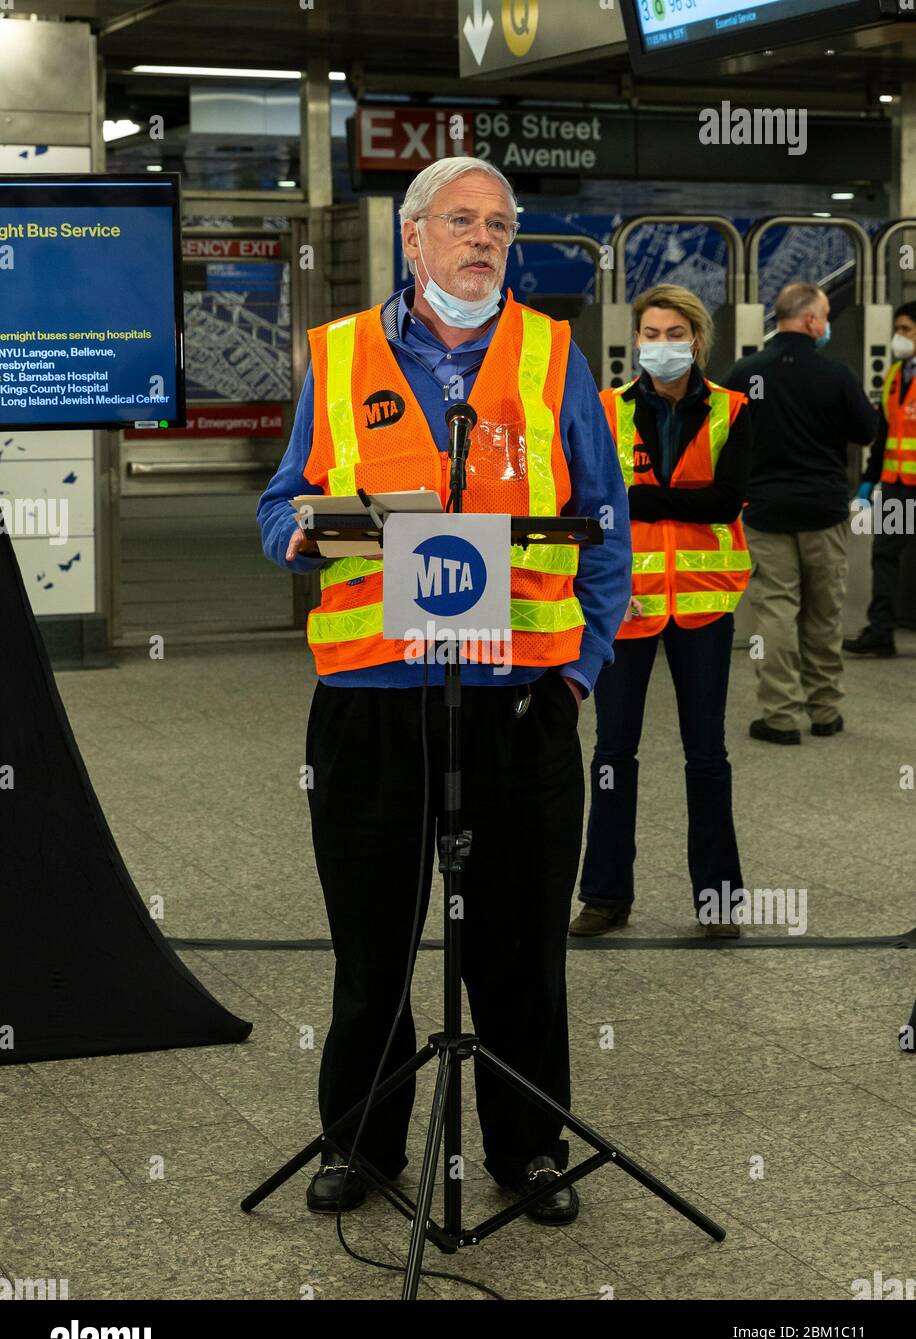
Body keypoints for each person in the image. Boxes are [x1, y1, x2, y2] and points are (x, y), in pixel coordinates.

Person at [257, 156, 631, 1224]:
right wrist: (292, 529)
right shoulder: (337, 358)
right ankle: (362, 1143)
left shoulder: (554, 358)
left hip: (520, 703)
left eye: (500, 227)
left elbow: (604, 529)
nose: (482, 241)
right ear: (411, 237)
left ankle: (528, 1149)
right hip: (375, 700)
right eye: (460, 222)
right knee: (371, 942)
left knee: (521, 947)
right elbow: (283, 500)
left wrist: (576, 672)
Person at [570, 283, 751, 942]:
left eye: (676, 334)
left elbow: (727, 502)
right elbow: (595, 504)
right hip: (625, 606)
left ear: (698, 340)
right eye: (652, 333)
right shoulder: (604, 410)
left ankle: (720, 900)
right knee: (614, 750)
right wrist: (667, 498)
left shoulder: (735, 409)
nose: (663, 346)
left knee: (708, 755)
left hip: (705, 609)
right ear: (636, 339)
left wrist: (644, 497)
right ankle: (605, 894)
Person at [722, 282, 876, 744]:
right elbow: (867, 431)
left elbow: (721, 435)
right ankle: (825, 711)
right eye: (825, 317)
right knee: (824, 614)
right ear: (810, 320)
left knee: (775, 612)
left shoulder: (746, 372)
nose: (826, 325)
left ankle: (781, 717)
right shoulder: (837, 374)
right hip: (825, 511)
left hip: (766, 512)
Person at [843, 301, 916, 658]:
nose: (898, 338)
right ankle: (881, 631)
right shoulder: (894, 377)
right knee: (885, 554)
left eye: (905, 330)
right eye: (898, 330)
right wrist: (866, 485)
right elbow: (884, 437)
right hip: (897, 486)